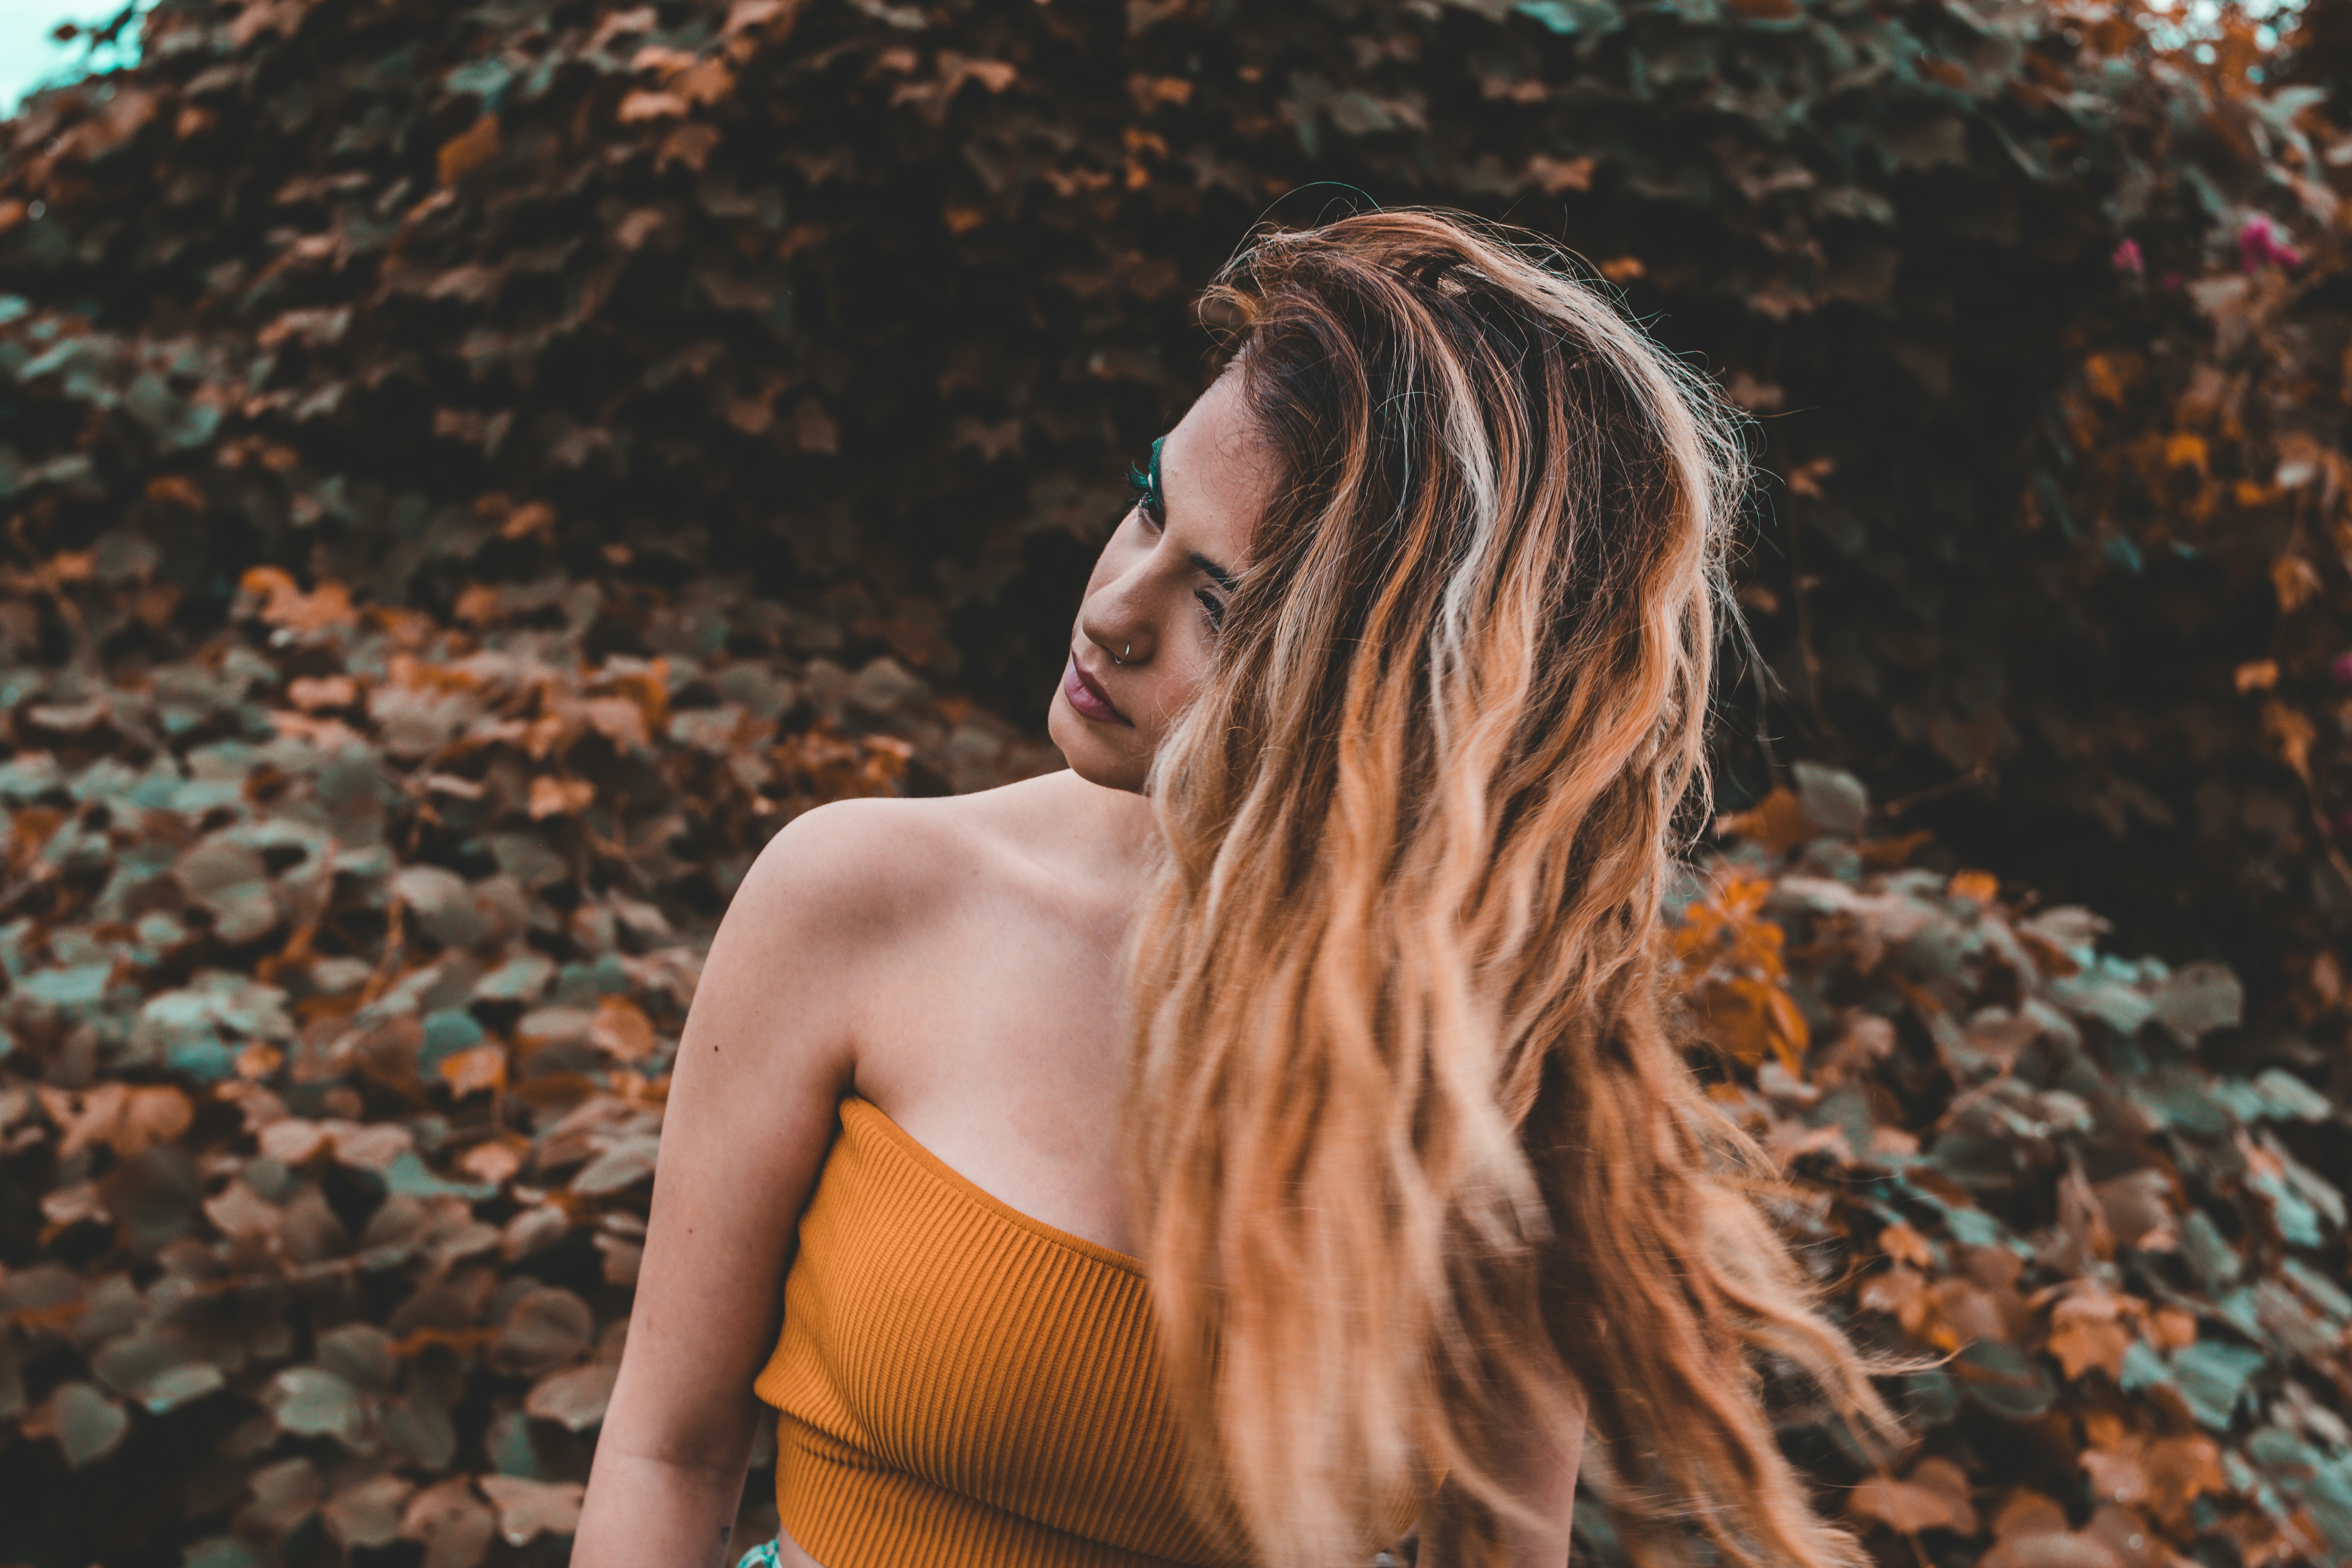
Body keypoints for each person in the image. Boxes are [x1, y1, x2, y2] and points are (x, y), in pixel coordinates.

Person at [570, 209, 1897, 1568]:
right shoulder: (863, 896)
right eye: (1150, 497)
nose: (1113, 609)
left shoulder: (1493, 1088)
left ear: (1400, 700)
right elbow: (664, 1454)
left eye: (1223, 602)